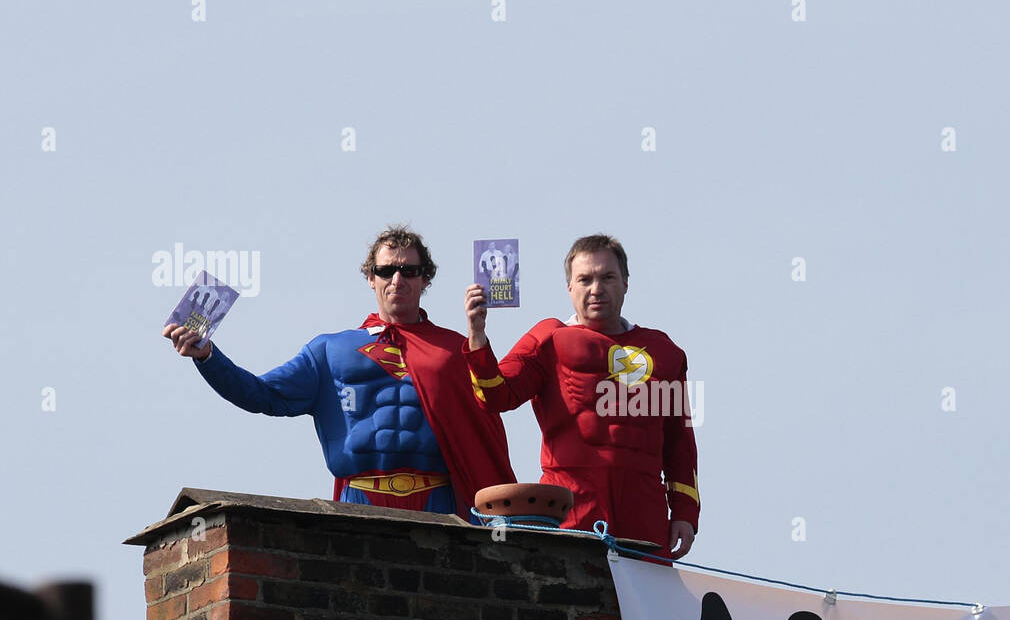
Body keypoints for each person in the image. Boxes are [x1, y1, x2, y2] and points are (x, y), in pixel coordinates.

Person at [164, 225, 515, 518]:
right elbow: (262, 394)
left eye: (408, 271)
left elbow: (498, 397)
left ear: (425, 280)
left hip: (438, 500)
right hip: (358, 500)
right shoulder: (330, 350)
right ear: (370, 278)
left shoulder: (455, 347)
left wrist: (479, 338)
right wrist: (208, 357)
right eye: (386, 270)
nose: (397, 279)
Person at [462, 234, 698, 558]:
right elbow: (496, 396)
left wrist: (685, 513)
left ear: (626, 283)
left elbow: (679, 443)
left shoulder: (665, 352)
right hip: (572, 508)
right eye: (585, 279)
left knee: (645, 607)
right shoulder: (548, 340)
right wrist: (477, 336)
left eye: (607, 277)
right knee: (572, 603)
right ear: (569, 288)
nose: (596, 289)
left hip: (645, 511)